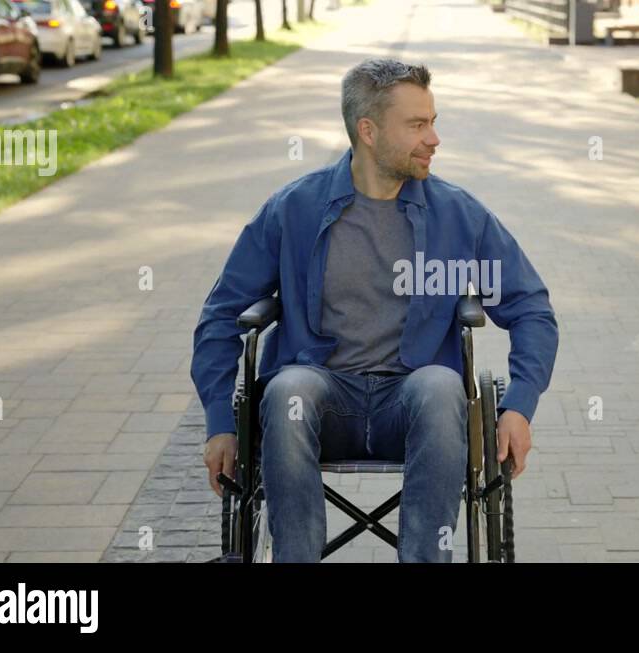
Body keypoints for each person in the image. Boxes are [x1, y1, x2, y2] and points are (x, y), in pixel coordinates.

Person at [191, 58, 559, 562]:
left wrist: (518, 405)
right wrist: (220, 422)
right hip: (321, 398)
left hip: (411, 404)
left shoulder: (457, 214)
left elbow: (531, 308)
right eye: (417, 125)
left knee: (441, 385)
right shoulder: (294, 209)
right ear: (368, 131)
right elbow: (220, 315)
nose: (434, 139)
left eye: (433, 122)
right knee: (288, 388)